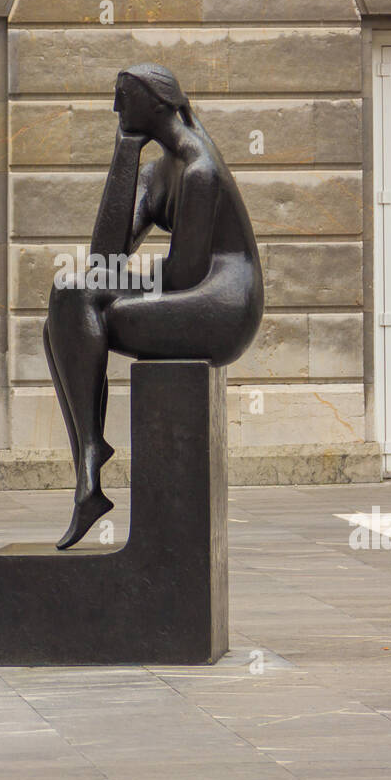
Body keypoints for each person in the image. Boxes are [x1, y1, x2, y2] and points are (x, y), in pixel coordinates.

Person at [43, 64, 264, 549]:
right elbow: (105, 256)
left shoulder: (200, 171)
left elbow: (184, 277)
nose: (115, 108)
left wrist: (117, 291)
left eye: (123, 98)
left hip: (223, 306)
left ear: (157, 104)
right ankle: (89, 459)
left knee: (92, 312)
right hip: (191, 292)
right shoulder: (157, 168)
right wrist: (125, 150)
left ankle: (88, 469)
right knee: (66, 300)